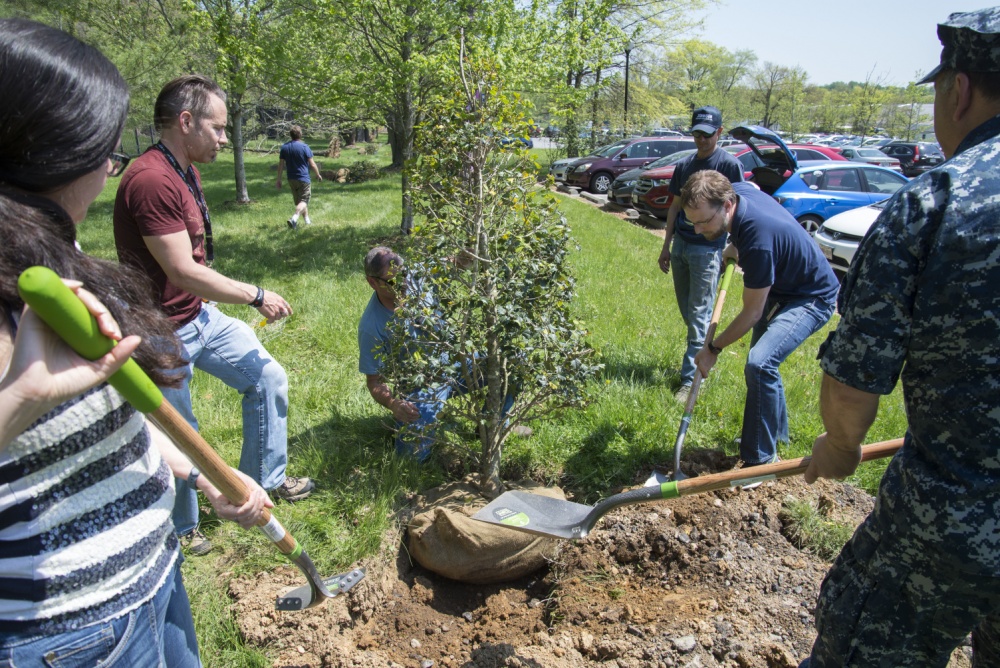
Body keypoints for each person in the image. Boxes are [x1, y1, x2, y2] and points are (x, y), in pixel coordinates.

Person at [0, 19, 270, 667]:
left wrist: (194, 473)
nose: (108, 166)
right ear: (52, 155)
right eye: (103, 148)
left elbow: (99, 427)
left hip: (149, 576)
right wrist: (22, 398)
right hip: (70, 631)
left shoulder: (46, 261)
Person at [800, 8, 1000, 666]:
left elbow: (855, 378)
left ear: (959, 89)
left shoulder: (937, 201)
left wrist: (839, 445)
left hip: (952, 522)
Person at [114, 74, 313, 557]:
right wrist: (254, 294)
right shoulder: (150, 180)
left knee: (268, 377)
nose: (225, 138)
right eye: (218, 128)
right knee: (180, 433)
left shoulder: (185, 169)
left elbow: (194, 269)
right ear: (186, 122)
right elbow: (182, 270)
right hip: (159, 329)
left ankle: (260, 486)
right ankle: (183, 527)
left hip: (199, 315)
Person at [683, 171, 838, 473]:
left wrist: (712, 349)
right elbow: (752, 189)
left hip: (811, 297)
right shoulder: (737, 191)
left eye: (704, 222)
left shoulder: (757, 240)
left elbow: (752, 313)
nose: (699, 230)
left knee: (760, 363)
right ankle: (776, 437)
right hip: (781, 287)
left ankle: (760, 460)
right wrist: (733, 243)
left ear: (728, 205)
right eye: (693, 222)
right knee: (763, 367)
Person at [358, 246, 528, 461]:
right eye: (392, 281)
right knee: (411, 459)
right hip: (423, 384)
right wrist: (393, 404)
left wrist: (472, 246)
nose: (403, 283)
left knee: (514, 360)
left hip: (457, 365)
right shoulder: (371, 326)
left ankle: (493, 425)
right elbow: (374, 381)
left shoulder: (419, 274)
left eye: (404, 273)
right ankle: (425, 417)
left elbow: (460, 261)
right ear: (372, 282)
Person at [656, 106, 744, 403]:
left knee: (699, 316)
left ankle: (690, 381)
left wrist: (734, 245)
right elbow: (675, 207)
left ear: (719, 132)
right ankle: (700, 353)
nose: (701, 140)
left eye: (707, 135)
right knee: (690, 313)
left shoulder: (729, 166)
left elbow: (740, 207)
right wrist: (666, 245)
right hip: (681, 246)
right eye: (696, 134)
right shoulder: (684, 165)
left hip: (708, 250)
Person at [276, 125, 322, 230]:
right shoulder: (305, 147)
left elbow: (281, 165)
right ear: (300, 134)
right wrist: (318, 174)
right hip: (303, 178)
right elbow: (312, 164)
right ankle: (294, 218)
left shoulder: (285, 147)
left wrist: (278, 179)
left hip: (291, 178)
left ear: (290, 135)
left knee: (300, 202)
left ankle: (307, 221)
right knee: (304, 201)